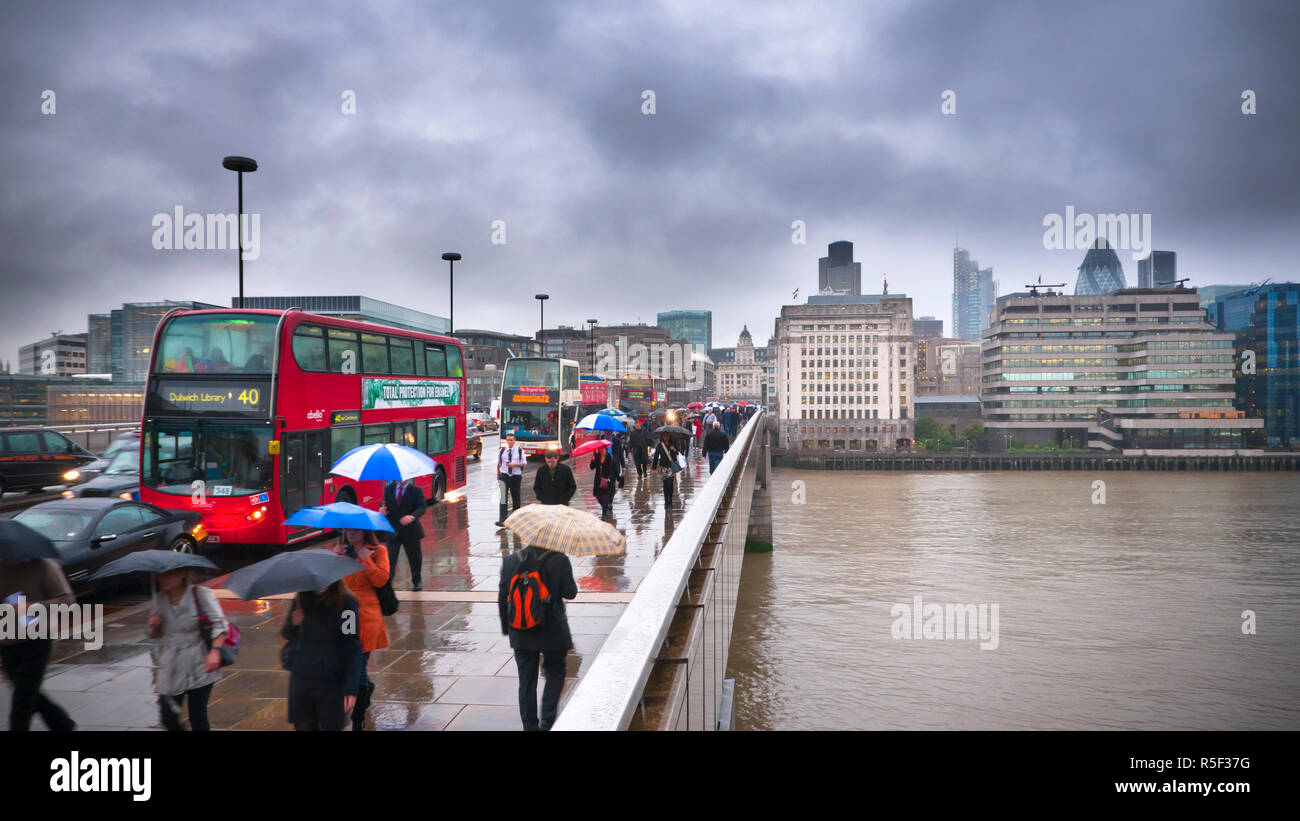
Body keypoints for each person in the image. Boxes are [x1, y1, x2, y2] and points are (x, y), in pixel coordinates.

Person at [498, 544, 578, 731]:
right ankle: (547, 722)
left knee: (526, 680)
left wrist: (507, 629)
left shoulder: (510, 561)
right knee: (555, 672)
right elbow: (570, 593)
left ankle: (530, 726)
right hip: (552, 630)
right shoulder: (559, 559)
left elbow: (503, 596)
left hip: (520, 629)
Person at [0, 558, 77, 731]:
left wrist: (32, 607)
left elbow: (67, 601)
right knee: (28, 692)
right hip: (6, 642)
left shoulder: (42, 565)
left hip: (36, 640)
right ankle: (61, 724)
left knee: (22, 702)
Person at [149, 567, 228, 732]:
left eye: (170, 574)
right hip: (171, 664)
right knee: (168, 717)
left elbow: (219, 624)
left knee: (197, 716)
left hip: (199, 661)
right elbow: (156, 635)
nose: (164, 579)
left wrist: (215, 651)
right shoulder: (160, 599)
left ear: (183, 574)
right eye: (160, 575)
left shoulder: (200, 593)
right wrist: (154, 626)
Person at [282, 580, 363, 731]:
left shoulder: (346, 603)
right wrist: (293, 623)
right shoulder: (301, 599)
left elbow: (352, 646)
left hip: (331, 681)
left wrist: (352, 688)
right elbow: (287, 633)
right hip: (302, 678)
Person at [332, 528, 390, 731]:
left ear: (365, 531)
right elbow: (330, 583)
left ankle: (358, 717)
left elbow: (381, 580)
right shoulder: (341, 551)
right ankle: (365, 692)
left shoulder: (378, 551)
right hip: (346, 615)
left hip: (366, 615)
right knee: (353, 664)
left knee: (357, 663)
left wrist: (367, 559)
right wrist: (334, 559)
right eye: (348, 530)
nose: (352, 533)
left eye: (356, 530)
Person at [380, 476, 426, 591]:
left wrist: (412, 516)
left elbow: (422, 507)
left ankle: (417, 581)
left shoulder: (416, 490)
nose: (400, 479)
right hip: (393, 530)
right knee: (390, 559)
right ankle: (388, 583)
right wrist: (382, 511)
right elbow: (384, 505)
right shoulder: (388, 489)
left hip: (411, 531)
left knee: (414, 558)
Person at [495, 432, 526, 527]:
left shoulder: (520, 451)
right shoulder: (502, 451)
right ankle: (502, 520)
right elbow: (499, 464)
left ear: (515, 441)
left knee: (516, 497)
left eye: (511, 440)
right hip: (504, 476)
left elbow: (524, 463)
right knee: (503, 498)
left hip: (516, 476)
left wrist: (514, 464)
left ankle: (516, 519)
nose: (509, 442)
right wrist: (498, 476)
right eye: (508, 440)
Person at [651, 432, 681, 508]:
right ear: (662, 437)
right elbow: (656, 457)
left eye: (667, 435)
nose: (666, 437)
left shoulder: (673, 444)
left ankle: (670, 500)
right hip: (663, 467)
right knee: (665, 485)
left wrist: (674, 450)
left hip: (671, 467)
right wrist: (654, 468)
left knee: (671, 484)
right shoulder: (660, 445)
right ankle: (666, 501)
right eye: (664, 436)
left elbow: (677, 453)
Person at [590, 445, 619, 519]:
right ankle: (605, 506)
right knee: (597, 496)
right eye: (600, 449)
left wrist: (618, 477)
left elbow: (615, 469)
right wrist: (592, 460)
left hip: (608, 480)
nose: (601, 450)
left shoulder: (610, 457)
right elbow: (592, 467)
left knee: (605, 496)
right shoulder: (596, 456)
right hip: (598, 480)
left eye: (603, 449)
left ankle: (604, 514)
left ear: (606, 449)